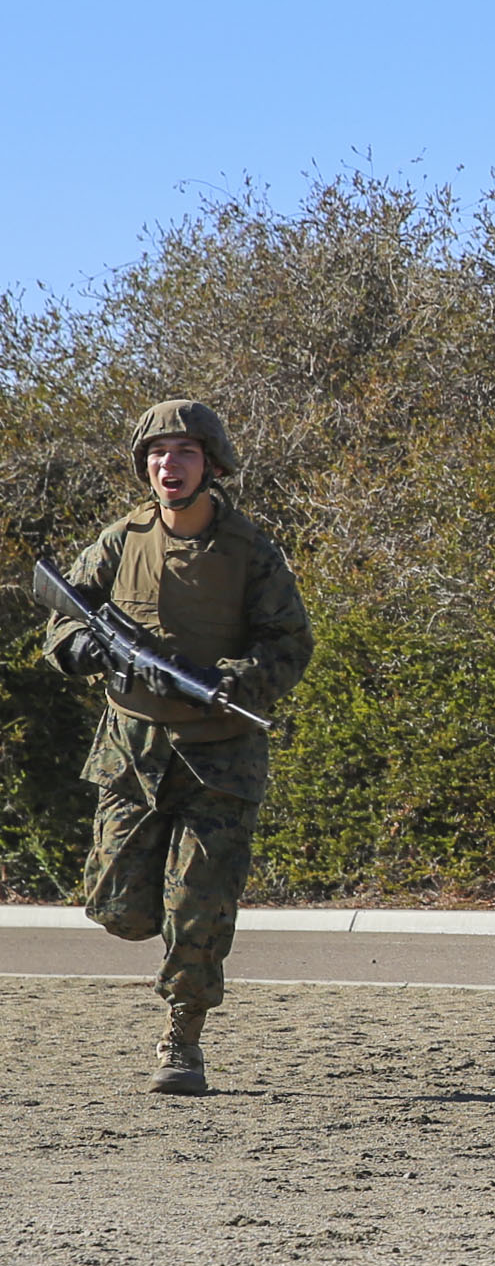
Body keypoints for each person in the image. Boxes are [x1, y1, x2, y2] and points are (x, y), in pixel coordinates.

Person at [39, 401, 313, 1096]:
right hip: (132, 750)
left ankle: (181, 1039)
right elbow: (60, 625)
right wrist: (94, 651)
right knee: (118, 909)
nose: (170, 465)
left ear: (211, 464)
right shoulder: (120, 540)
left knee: (198, 908)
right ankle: (162, 919)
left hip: (220, 755)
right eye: (159, 453)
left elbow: (289, 643)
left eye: (185, 452)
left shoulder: (251, 549)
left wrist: (231, 680)